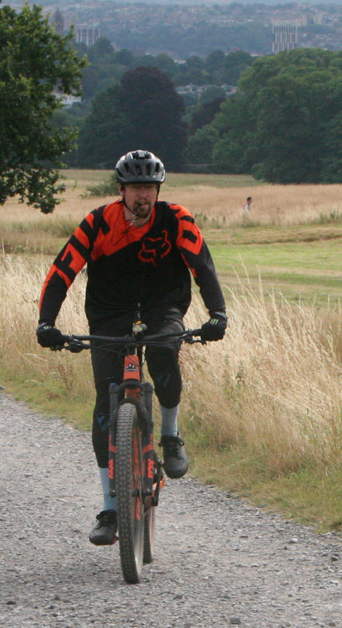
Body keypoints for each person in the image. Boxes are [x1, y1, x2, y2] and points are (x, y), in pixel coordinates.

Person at [34, 150, 228, 546]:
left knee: (162, 354)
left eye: (149, 188)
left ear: (158, 191)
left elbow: (202, 266)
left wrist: (218, 314)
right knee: (106, 405)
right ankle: (109, 507)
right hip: (109, 313)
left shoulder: (176, 218)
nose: (143, 196)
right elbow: (62, 271)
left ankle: (170, 435)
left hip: (163, 306)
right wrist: (46, 322)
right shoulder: (98, 223)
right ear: (120, 190)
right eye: (136, 188)